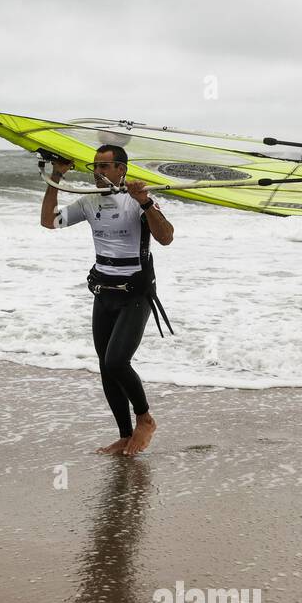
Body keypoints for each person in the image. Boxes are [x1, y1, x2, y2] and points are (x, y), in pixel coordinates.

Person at [40, 145, 174, 456]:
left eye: (105, 166)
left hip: (135, 295)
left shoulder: (138, 199)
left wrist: (146, 203)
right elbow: (49, 221)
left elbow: (166, 237)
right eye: (95, 166)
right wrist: (56, 177)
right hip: (103, 294)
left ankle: (145, 419)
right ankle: (125, 435)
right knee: (105, 367)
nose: (98, 171)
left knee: (116, 361)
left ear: (121, 169)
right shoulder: (89, 201)